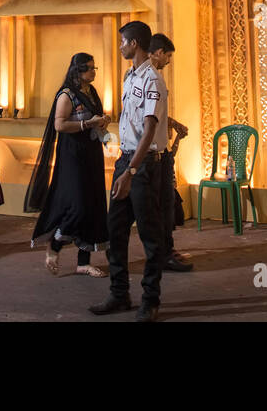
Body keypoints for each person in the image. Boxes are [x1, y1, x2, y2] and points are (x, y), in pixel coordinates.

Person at [91, 20, 168, 322]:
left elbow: (149, 130)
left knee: (151, 237)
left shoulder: (153, 81)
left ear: (134, 43)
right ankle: (119, 293)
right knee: (116, 230)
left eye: (123, 41)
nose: (121, 46)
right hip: (126, 160)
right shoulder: (129, 77)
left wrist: (130, 172)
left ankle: (150, 300)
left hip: (143, 166)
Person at [26, 53, 111, 277]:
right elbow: (60, 124)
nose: (94, 72)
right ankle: (54, 245)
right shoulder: (66, 95)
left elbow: (94, 117)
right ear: (78, 70)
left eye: (95, 68)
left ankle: (83, 262)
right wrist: (86, 123)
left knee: (93, 204)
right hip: (72, 156)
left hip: (91, 154)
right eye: (90, 68)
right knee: (78, 205)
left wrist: (101, 121)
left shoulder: (90, 92)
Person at [146, 34, 192, 273]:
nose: (169, 61)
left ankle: (166, 249)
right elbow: (146, 119)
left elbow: (158, 114)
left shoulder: (156, 79)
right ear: (157, 52)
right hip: (149, 153)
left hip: (161, 152)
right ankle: (159, 254)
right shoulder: (144, 79)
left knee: (167, 203)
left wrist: (173, 124)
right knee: (155, 207)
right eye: (168, 56)